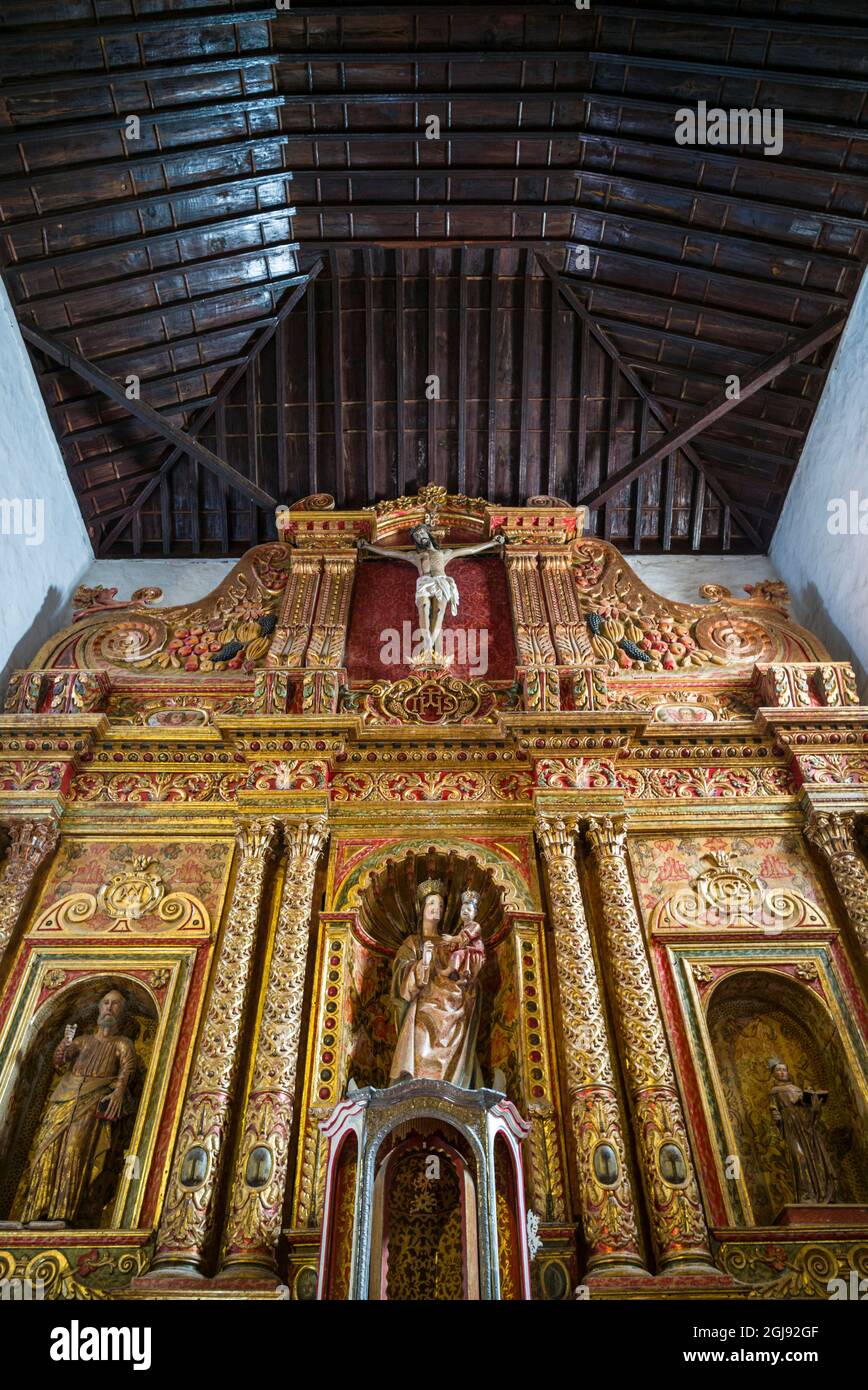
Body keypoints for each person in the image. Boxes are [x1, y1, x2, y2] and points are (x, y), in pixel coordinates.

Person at [16, 989, 137, 1227]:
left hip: (92, 1101)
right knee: (46, 1150)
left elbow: (128, 1069)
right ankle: (35, 1211)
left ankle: (64, 1211)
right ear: (99, 1008)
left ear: (122, 1012)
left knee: (75, 1151)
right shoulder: (83, 1040)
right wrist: (65, 1043)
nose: (109, 1008)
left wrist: (119, 1091)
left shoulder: (122, 1043)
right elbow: (60, 1059)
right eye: (105, 1003)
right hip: (64, 1097)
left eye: (115, 1004)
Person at [358, 523, 505, 663]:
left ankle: (429, 648)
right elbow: (389, 552)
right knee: (423, 609)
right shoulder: (415, 556)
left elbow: (470, 550)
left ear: (428, 534)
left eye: (421, 532)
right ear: (416, 541)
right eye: (416, 535)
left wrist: (492, 543)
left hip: (441, 583)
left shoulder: (444, 553)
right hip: (424, 583)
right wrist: (367, 546)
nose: (420, 535)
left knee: (439, 611)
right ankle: (427, 646)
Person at [389, 881, 485, 1089]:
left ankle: (450, 1086)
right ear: (422, 908)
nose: (436, 908)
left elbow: (463, 969)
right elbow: (399, 977)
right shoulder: (413, 942)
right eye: (432, 903)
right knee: (422, 1026)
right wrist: (423, 963)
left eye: (441, 905)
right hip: (424, 1003)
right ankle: (416, 1084)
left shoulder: (449, 941)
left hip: (451, 1002)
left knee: (457, 1017)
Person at [768, 1058, 836, 1204]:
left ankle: (822, 1193)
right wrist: (780, 1122)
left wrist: (813, 1104)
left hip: (807, 1126)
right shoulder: (775, 1091)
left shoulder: (797, 1089)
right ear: (773, 1074)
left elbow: (810, 1110)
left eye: (784, 1069)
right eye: (778, 1070)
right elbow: (774, 1109)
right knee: (801, 1159)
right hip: (791, 1125)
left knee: (816, 1157)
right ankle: (806, 1196)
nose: (782, 1072)